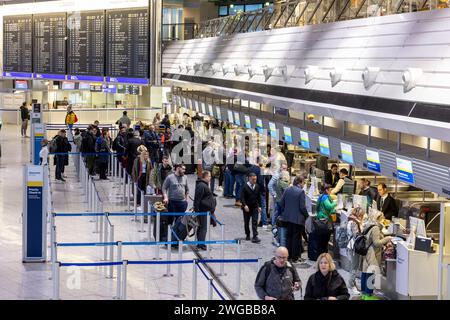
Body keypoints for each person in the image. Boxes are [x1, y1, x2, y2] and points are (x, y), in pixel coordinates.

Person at [279, 175, 309, 263]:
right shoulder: (301, 192)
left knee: (289, 237)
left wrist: (286, 211)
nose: (304, 184)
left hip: (287, 218)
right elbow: (302, 207)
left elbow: (281, 203)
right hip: (297, 219)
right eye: (303, 182)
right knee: (296, 238)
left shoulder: (287, 189)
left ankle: (288, 256)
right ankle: (295, 257)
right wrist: (306, 215)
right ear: (300, 183)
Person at [309, 184, 337, 261]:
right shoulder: (325, 197)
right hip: (324, 221)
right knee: (324, 241)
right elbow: (329, 206)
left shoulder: (321, 196)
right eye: (330, 189)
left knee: (321, 240)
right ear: (327, 190)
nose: (331, 191)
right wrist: (336, 202)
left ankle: (321, 257)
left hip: (320, 220)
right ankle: (323, 257)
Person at [162, 164, 189, 240]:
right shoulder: (170, 177)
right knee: (170, 220)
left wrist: (186, 200)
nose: (184, 171)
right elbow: (164, 187)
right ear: (178, 168)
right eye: (183, 169)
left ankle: (177, 238)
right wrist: (166, 197)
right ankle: (168, 237)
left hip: (182, 203)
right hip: (172, 202)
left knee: (180, 221)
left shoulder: (185, 177)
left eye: (185, 169)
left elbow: (187, 189)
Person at [193, 171, 217, 251]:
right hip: (202, 211)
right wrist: (197, 211)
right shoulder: (201, 185)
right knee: (203, 228)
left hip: (205, 210)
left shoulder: (204, 185)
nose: (210, 178)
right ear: (205, 177)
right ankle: (201, 244)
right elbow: (197, 199)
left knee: (202, 227)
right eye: (209, 176)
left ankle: (200, 243)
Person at [346, 207, 365, 294]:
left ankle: (352, 283)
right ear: (359, 215)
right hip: (354, 247)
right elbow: (356, 235)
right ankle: (351, 285)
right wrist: (362, 226)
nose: (362, 217)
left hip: (351, 247)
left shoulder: (351, 220)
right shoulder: (354, 222)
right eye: (362, 215)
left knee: (353, 266)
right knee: (354, 267)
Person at [240, 172, 262, 243]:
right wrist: (244, 205)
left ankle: (255, 236)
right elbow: (242, 197)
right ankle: (248, 234)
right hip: (247, 207)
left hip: (255, 207)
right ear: (249, 178)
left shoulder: (257, 186)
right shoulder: (244, 187)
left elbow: (259, 197)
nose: (254, 181)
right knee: (247, 222)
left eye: (255, 179)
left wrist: (260, 206)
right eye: (253, 179)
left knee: (255, 221)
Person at [273, 170, 290, 247]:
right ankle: (279, 236)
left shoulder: (278, 182)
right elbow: (289, 189)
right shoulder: (283, 184)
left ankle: (276, 232)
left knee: (278, 218)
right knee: (281, 221)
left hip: (278, 201)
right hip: (282, 203)